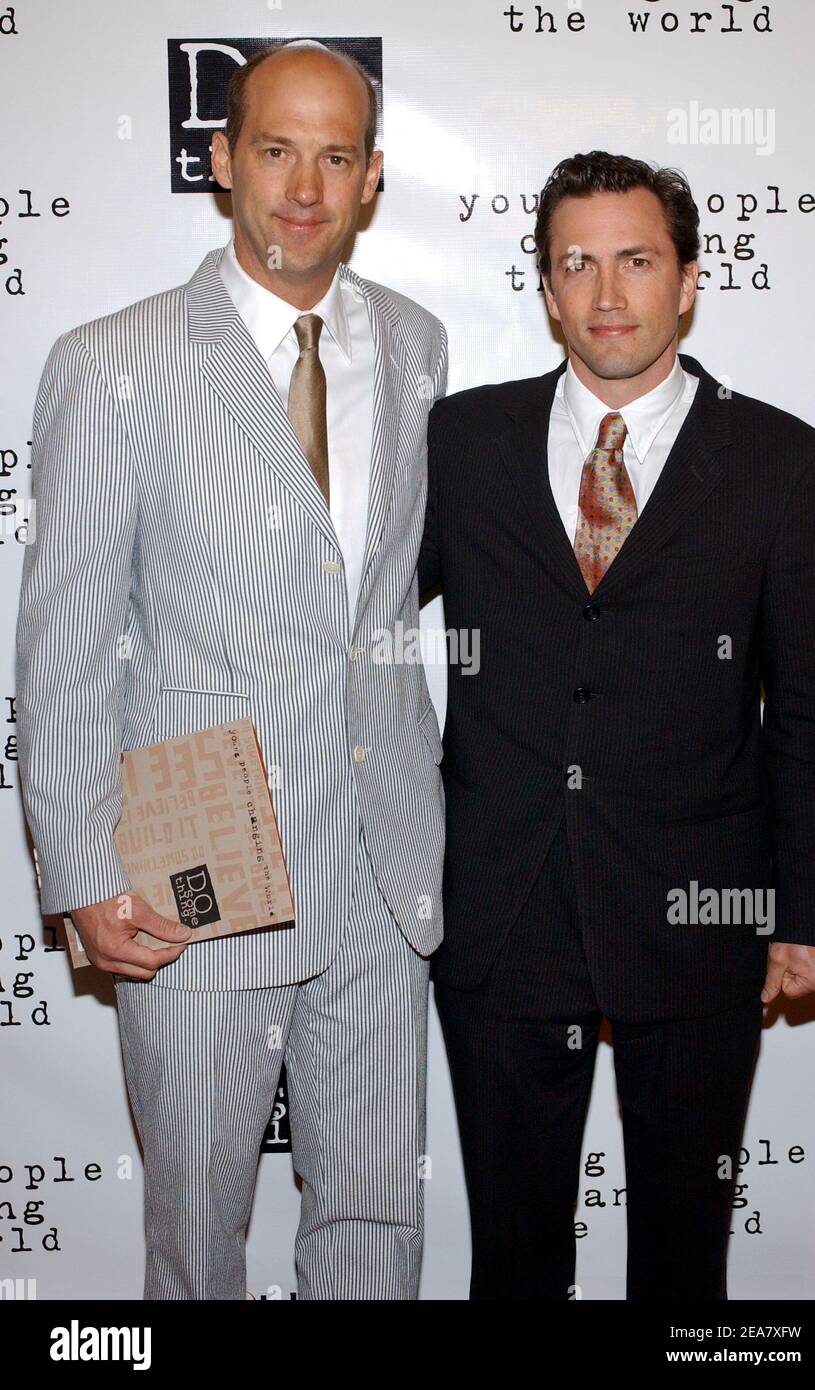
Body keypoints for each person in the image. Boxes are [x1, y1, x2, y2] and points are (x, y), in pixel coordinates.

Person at [16, 40, 447, 1301]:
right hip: (193, 856)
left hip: (380, 858)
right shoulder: (113, 363)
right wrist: (85, 871)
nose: (303, 186)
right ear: (220, 162)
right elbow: (66, 645)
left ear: (370, 179)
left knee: (375, 1223)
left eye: (334, 155)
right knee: (197, 1238)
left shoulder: (416, 348)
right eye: (275, 149)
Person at [419, 150, 815, 1300]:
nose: (606, 294)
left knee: (681, 1265)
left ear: (687, 280)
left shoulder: (782, 461)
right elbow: (337, 623)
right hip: (499, 910)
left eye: (635, 261)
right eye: (577, 264)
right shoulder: (458, 447)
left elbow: (809, 715)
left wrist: (809, 912)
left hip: (699, 917)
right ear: (546, 288)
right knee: (511, 1264)